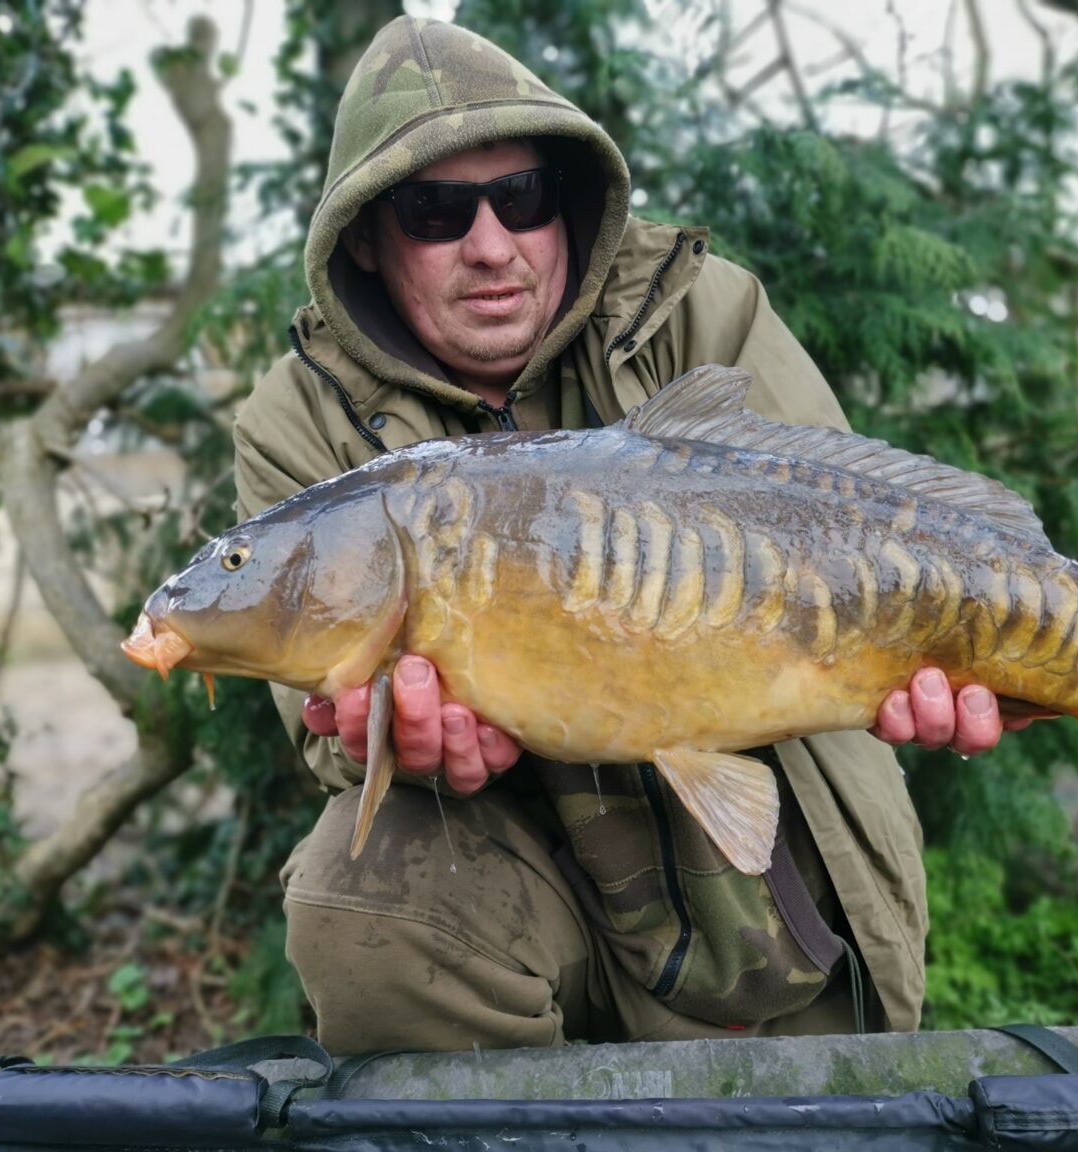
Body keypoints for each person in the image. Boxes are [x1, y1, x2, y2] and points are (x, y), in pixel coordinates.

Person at [234, 16, 1028, 1055]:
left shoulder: (701, 312)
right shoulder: (297, 423)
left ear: (563, 206)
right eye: (436, 211)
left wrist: (979, 658)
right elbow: (320, 712)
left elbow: (862, 536)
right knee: (356, 893)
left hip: (778, 877)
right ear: (372, 243)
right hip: (521, 891)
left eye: (519, 198)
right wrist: (380, 733)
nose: (491, 245)